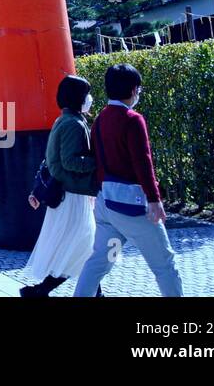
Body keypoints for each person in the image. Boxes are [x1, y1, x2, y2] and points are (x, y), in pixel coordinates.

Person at [73, 64, 183, 297]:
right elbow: (143, 163)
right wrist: (154, 199)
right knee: (164, 264)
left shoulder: (100, 119)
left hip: (105, 203)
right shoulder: (133, 119)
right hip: (133, 206)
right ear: (133, 90)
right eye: (139, 90)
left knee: (97, 263)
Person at [21, 75, 98, 297]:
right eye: (86, 94)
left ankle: (42, 291)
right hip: (73, 194)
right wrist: (99, 161)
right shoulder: (73, 124)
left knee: (84, 247)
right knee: (82, 247)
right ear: (78, 98)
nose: (90, 98)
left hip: (69, 194)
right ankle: (38, 291)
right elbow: (70, 161)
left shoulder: (65, 120)